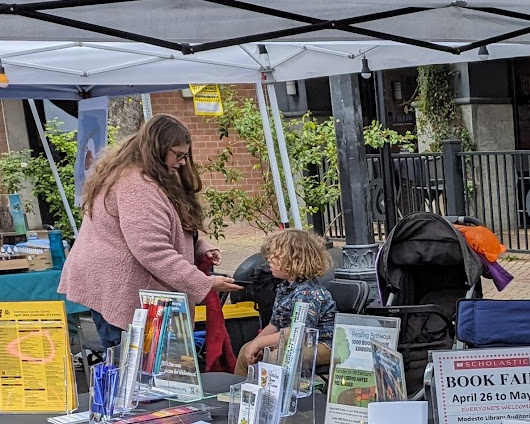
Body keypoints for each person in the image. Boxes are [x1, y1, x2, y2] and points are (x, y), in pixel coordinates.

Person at [60, 115, 238, 351]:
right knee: (132, 375)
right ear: (158, 149)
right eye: (179, 154)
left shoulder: (151, 175)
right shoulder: (136, 184)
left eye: (186, 155)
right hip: (119, 291)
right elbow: (152, 249)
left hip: (124, 286)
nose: (184, 162)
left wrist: (199, 247)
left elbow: (167, 227)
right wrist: (202, 283)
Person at [234, 228, 338, 377]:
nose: (269, 258)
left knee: (278, 356)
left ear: (294, 260)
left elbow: (296, 333)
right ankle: (245, 390)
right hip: (293, 341)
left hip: (322, 345)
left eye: (275, 255)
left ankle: (271, 395)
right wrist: (254, 345)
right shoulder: (284, 289)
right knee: (246, 350)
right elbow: (274, 325)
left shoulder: (308, 293)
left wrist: (259, 344)